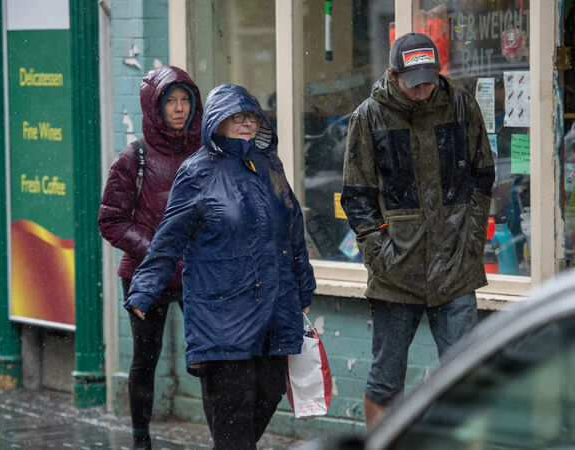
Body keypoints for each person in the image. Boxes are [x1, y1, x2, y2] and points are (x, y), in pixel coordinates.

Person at [125, 83, 316, 450]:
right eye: (236, 118)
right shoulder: (197, 172)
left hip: (275, 310)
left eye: (250, 118)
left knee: (269, 392)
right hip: (222, 313)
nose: (245, 125)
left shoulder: (270, 166)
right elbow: (169, 237)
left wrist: (304, 287)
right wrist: (145, 290)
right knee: (234, 410)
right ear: (216, 121)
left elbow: (293, 231)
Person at [340, 32, 495, 430]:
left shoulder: (462, 106)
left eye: (429, 80)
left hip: (456, 268)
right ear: (393, 75)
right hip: (395, 277)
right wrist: (384, 257)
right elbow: (357, 198)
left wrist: (471, 242)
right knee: (386, 382)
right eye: (414, 83)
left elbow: (481, 179)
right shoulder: (369, 116)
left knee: (465, 379)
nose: (423, 91)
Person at [98, 66, 203, 450]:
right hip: (147, 276)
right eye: (170, 102)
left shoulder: (207, 151)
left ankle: (224, 438)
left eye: (185, 100)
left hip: (199, 273)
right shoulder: (134, 157)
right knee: (146, 358)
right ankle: (140, 439)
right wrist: (158, 250)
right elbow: (111, 221)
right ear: (154, 108)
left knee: (211, 359)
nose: (179, 109)